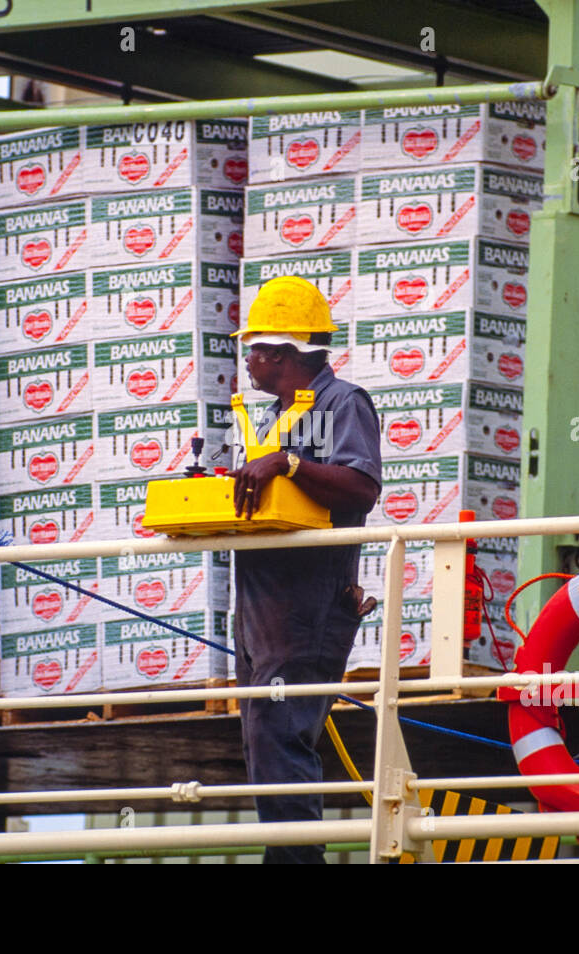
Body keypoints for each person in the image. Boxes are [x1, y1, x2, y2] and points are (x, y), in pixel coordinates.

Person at [226, 276, 382, 864]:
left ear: (285, 353)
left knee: (281, 733)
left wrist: (288, 462)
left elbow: (362, 487)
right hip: (262, 608)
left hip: (308, 606)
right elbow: (250, 480)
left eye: (255, 350)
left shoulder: (344, 403)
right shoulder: (267, 417)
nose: (248, 361)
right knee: (265, 739)